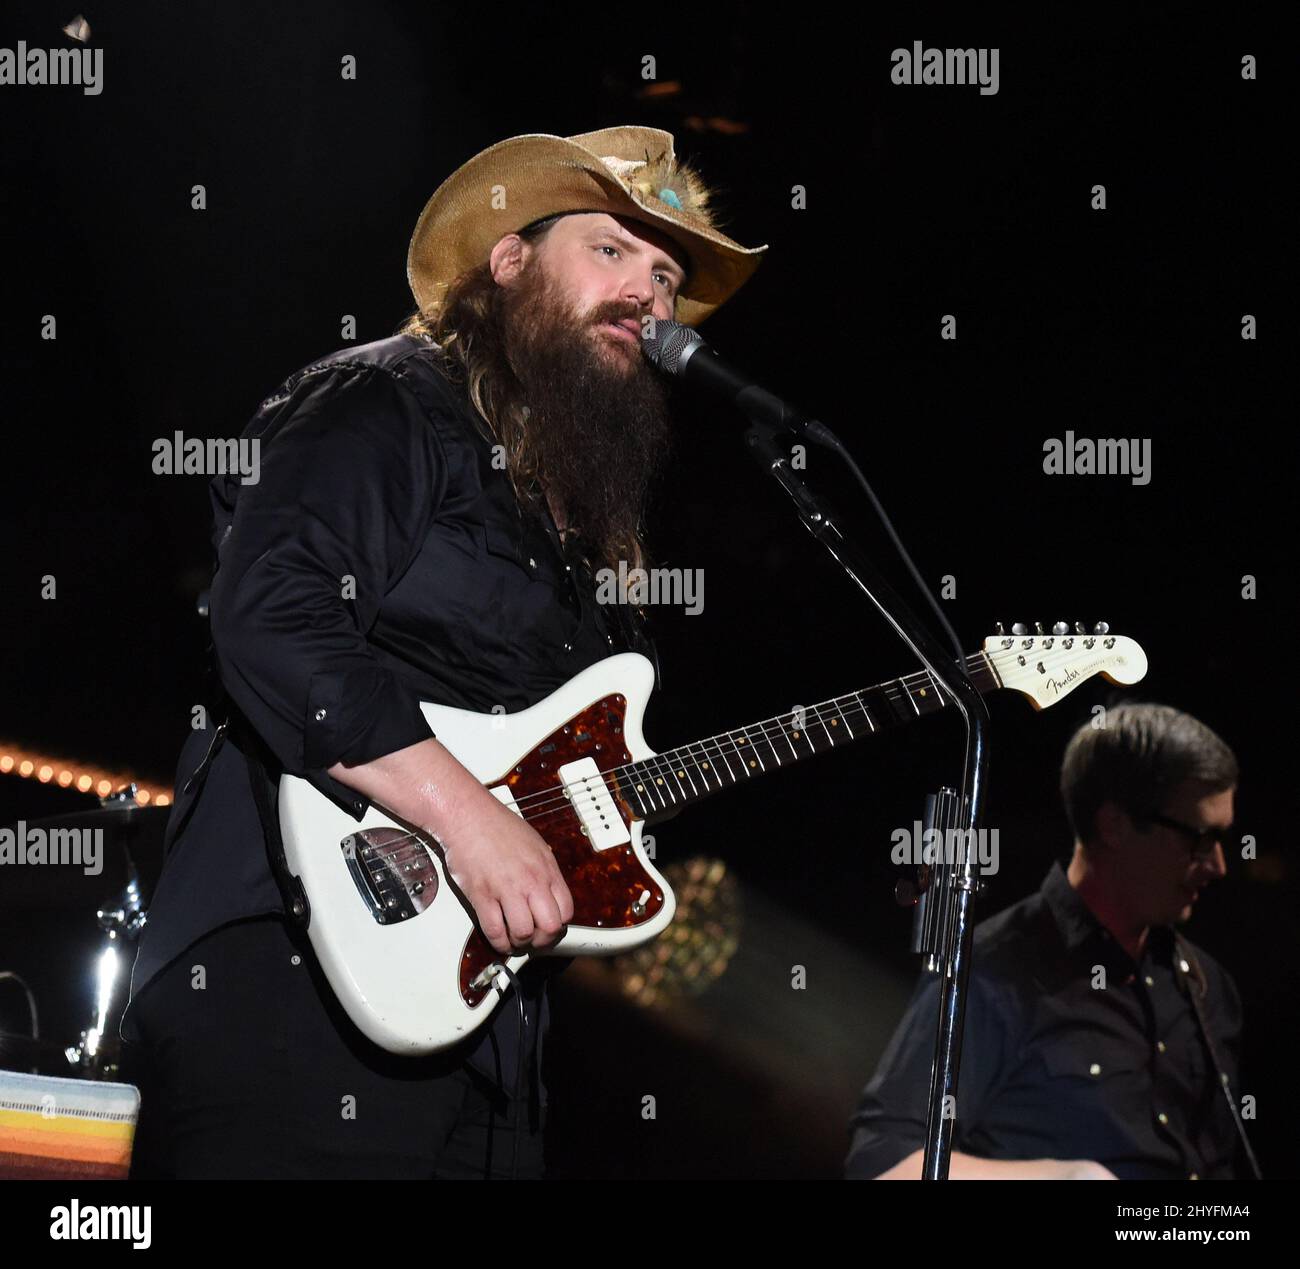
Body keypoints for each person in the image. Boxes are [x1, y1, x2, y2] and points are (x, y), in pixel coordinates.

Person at [118, 125, 766, 1179]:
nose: (645, 297)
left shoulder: (578, 533)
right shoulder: (386, 398)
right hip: (293, 979)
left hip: (488, 1029)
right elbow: (273, 613)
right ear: (508, 260)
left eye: (662, 277)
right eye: (611, 251)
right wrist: (468, 821)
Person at [845, 702, 1258, 1180]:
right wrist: (1064, 1178)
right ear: (1114, 826)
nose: (1218, 865)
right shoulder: (989, 970)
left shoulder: (1211, 988)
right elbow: (883, 1163)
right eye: (1200, 839)